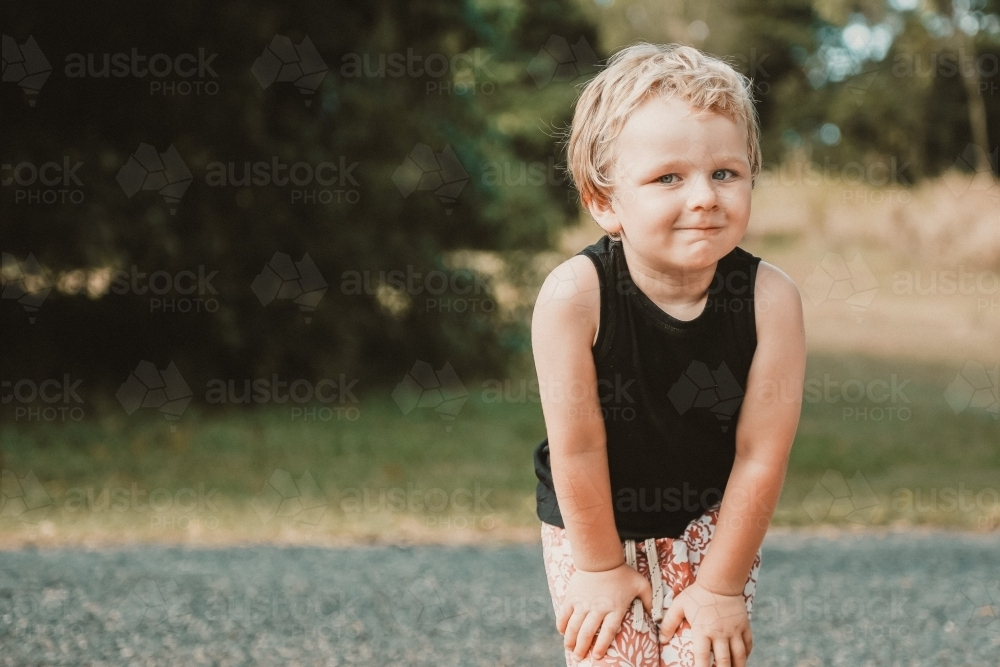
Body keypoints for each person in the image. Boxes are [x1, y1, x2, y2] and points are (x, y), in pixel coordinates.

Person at [531, 42, 806, 667]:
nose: (705, 196)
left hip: (714, 521)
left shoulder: (771, 300)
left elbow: (762, 454)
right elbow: (577, 447)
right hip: (596, 521)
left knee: (702, 656)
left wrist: (720, 587)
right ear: (604, 202)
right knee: (614, 657)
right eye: (668, 178)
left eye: (725, 173)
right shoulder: (575, 296)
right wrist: (600, 569)